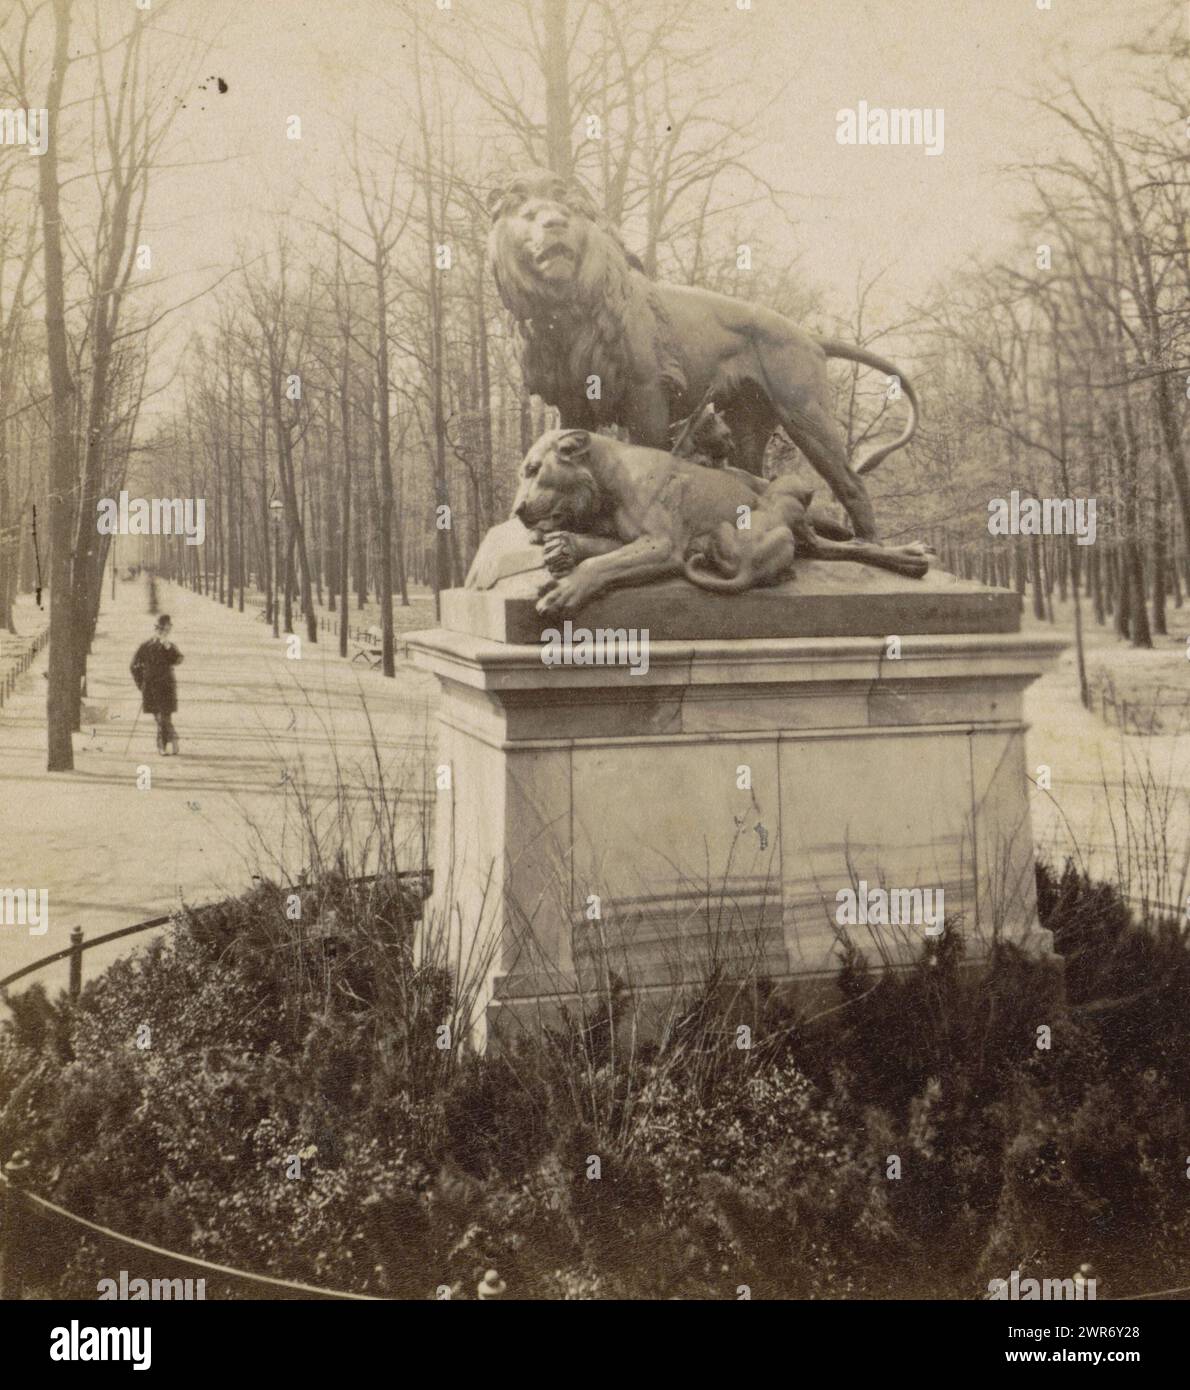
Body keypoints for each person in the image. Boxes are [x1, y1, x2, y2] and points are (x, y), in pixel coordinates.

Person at [131, 614, 184, 755]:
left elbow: (178, 659)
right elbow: (134, 665)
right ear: (157, 629)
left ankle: (162, 746)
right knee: (160, 717)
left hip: (166, 686)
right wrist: (140, 682)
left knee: (164, 717)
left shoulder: (169, 646)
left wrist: (168, 648)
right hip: (150, 687)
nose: (164, 633)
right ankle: (173, 738)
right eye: (162, 630)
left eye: (167, 630)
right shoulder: (146, 646)